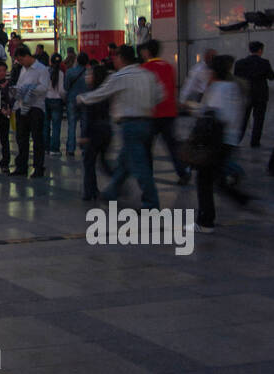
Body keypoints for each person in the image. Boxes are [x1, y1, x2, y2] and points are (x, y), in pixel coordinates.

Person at [77, 44, 160, 208]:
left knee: (140, 165)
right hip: (148, 122)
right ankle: (111, 192)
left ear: (121, 58)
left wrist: (82, 98)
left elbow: (101, 93)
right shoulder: (147, 74)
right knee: (125, 161)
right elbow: (160, 94)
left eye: (115, 56)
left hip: (130, 124)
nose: (113, 60)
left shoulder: (120, 76)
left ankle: (151, 203)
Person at [193, 54, 250, 232]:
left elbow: (209, 113)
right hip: (230, 139)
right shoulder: (235, 87)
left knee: (204, 179)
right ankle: (242, 199)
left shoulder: (217, 88)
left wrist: (192, 107)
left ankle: (206, 221)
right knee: (216, 178)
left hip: (215, 140)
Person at [142, 39, 191, 184]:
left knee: (147, 147)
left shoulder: (145, 68)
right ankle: (183, 171)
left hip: (152, 114)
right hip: (169, 112)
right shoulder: (169, 67)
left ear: (147, 52)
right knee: (172, 145)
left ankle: (147, 175)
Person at [10, 45, 50, 178]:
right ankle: (21, 166)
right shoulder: (23, 69)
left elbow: (44, 88)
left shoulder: (41, 69)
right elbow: (20, 85)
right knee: (21, 138)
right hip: (22, 107)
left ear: (28, 56)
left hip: (35, 107)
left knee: (37, 138)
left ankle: (38, 167)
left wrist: (30, 89)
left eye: (21, 60)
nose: (21, 63)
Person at [79, 63, 113, 201]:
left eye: (89, 74)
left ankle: (89, 192)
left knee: (89, 163)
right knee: (103, 162)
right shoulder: (104, 92)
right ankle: (118, 180)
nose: (87, 77)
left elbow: (89, 117)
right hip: (106, 131)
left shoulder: (93, 95)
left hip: (94, 133)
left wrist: (85, 136)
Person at [233, 41, 274, 147]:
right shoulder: (264, 62)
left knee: (243, 118)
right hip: (261, 95)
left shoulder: (240, 63)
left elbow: (236, 77)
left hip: (246, 94)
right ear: (260, 50)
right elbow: (271, 76)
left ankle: (237, 139)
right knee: (259, 119)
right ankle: (255, 141)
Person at [64, 52, 89, 157]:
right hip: (85, 100)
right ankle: (84, 148)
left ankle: (70, 149)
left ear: (77, 60)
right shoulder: (89, 72)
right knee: (85, 125)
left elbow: (66, 87)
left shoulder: (70, 72)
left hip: (72, 99)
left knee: (72, 125)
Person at [45, 54, 66, 154]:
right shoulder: (61, 74)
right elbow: (61, 90)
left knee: (46, 125)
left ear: (50, 62)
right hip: (57, 101)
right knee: (56, 126)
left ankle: (45, 147)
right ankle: (54, 149)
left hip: (46, 100)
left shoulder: (46, 71)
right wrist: (63, 98)